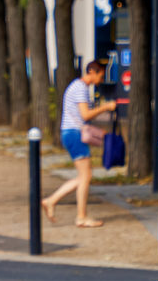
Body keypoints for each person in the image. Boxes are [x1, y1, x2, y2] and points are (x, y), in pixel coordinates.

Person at [43, 58, 114, 229]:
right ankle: (81, 217)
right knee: (86, 176)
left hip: (71, 133)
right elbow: (86, 115)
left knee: (84, 176)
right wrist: (106, 107)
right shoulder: (80, 88)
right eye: (100, 76)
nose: (101, 80)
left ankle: (51, 201)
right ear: (92, 72)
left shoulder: (77, 87)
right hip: (74, 133)